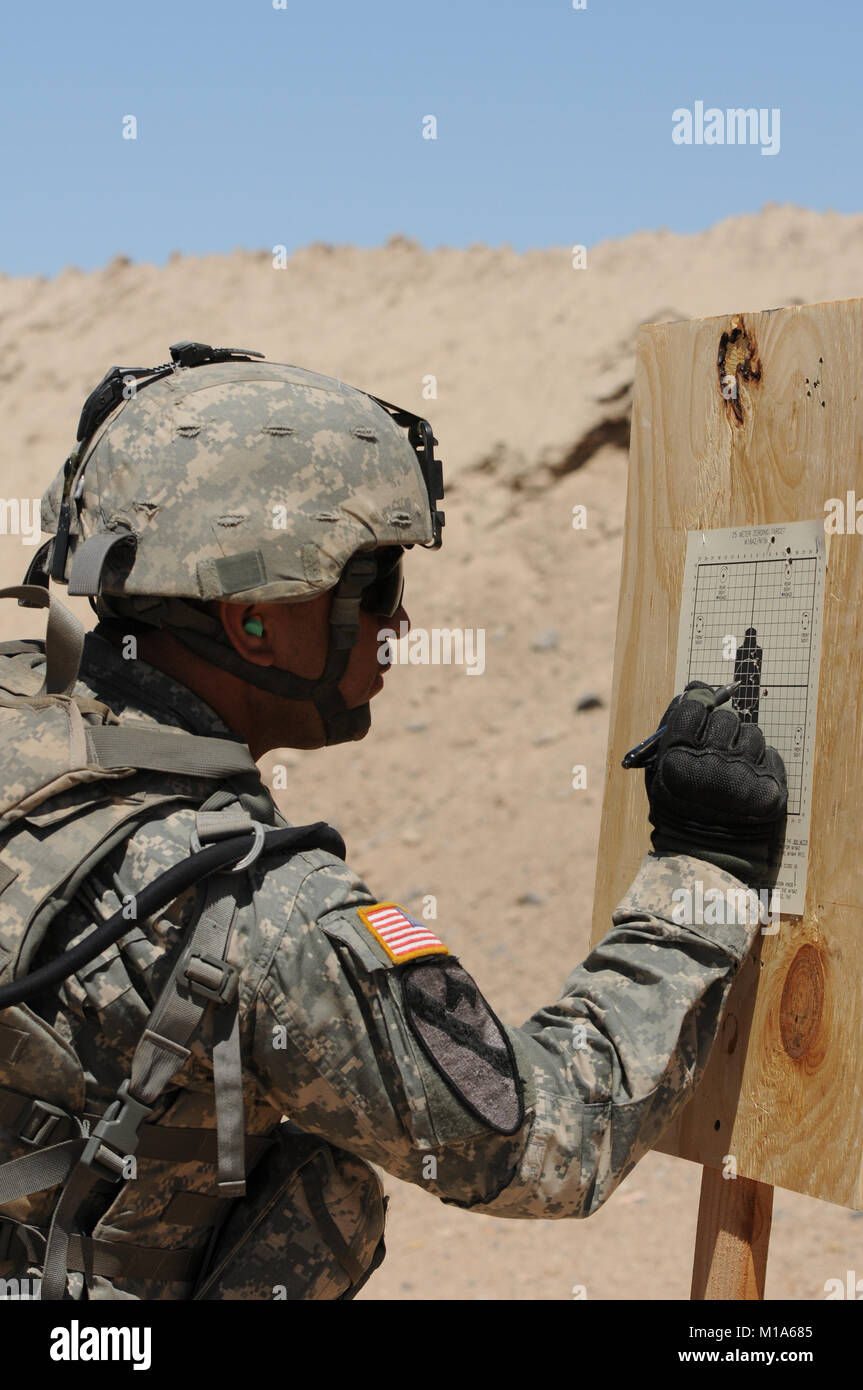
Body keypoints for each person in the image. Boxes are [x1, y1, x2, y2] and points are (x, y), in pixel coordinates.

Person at [0, 342, 787, 1301]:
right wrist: (703, 870)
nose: (397, 625)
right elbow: (547, 1139)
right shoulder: (260, 910)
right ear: (254, 619)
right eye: (373, 585)